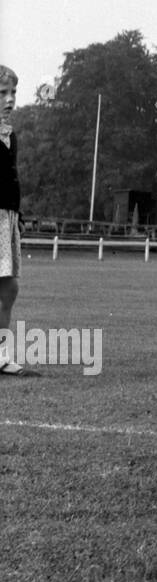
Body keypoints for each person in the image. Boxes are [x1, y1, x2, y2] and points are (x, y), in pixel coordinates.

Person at [0, 66, 28, 376]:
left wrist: (17, 217)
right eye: (2, 93)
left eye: (13, 93)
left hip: (6, 219)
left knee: (8, 290)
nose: (10, 100)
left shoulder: (12, 136)